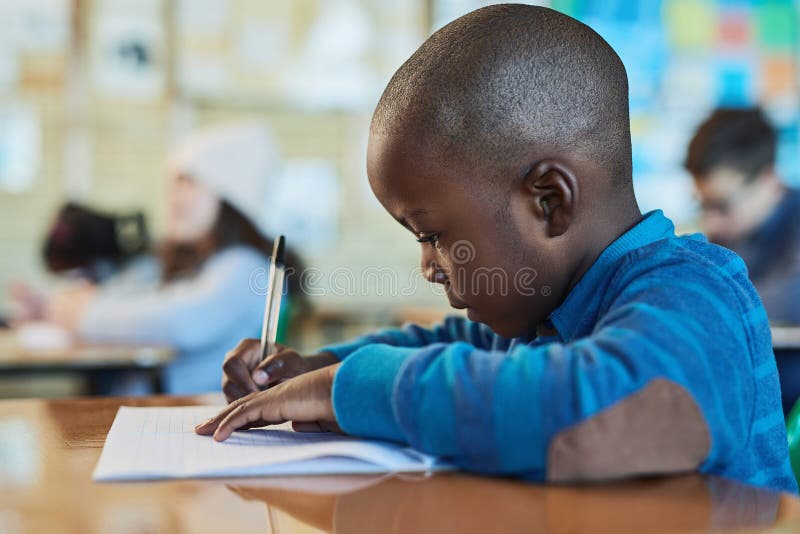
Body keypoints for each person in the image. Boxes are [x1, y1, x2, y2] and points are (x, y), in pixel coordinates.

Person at [196, 5, 796, 493]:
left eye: (433, 235)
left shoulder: (696, 293)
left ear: (549, 202)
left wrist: (347, 389)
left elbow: (590, 407)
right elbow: (449, 346)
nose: (428, 266)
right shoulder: (548, 312)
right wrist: (313, 371)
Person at [45, 123, 302, 394]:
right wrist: (75, 301)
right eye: (173, 184)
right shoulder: (204, 263)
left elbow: (181, 322)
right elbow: (139, 296)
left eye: (188, 183)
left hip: (190, 415)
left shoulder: (247, 267)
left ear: (231, 198)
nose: (173, 198)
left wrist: (85, 312)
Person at [686, 108, 800, 325]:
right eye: (702, 206)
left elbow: (794, 299)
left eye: (721, 206)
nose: (711, 224)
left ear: (768, 180)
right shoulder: (725, 236)